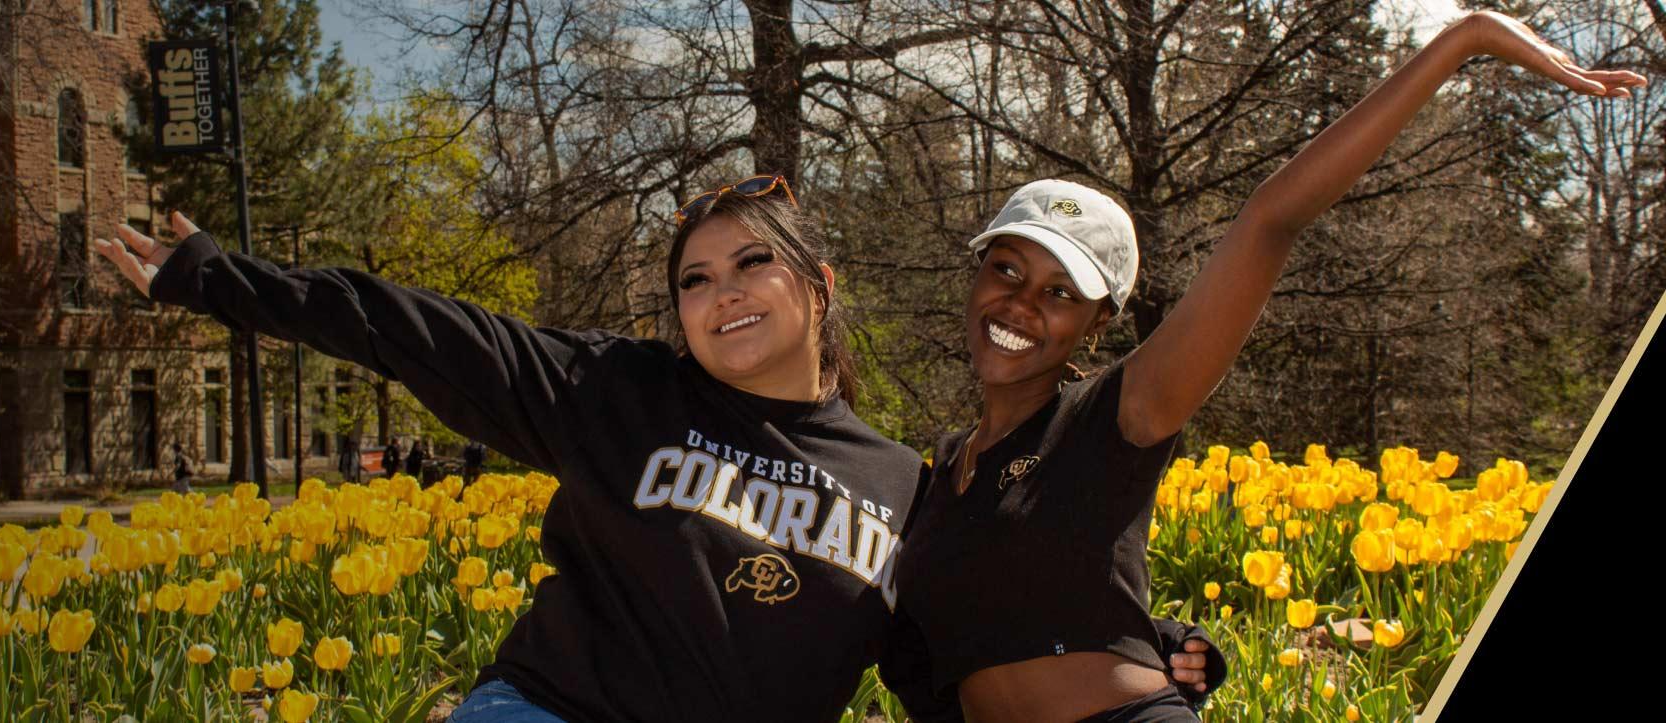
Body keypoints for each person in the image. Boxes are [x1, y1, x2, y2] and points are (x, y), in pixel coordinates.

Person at [92, 176, 1217, 722]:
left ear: (819, 285)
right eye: (694, 279)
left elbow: (972, 614)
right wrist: (219, 280)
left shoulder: (897, 482)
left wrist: (1145, 645)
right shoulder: (619, 395)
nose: (722, 294)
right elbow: (420, 331)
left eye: (751, 264)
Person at [891, 11, 1646, 722]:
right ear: (976, 275)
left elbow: (1271, 219)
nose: (1021, 304)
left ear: (1098, 324)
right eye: (1006, 269)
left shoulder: (1118, 413)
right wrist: (1167, 635)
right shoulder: (938, 472)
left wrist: (1462, 39)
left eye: (1062, 292)